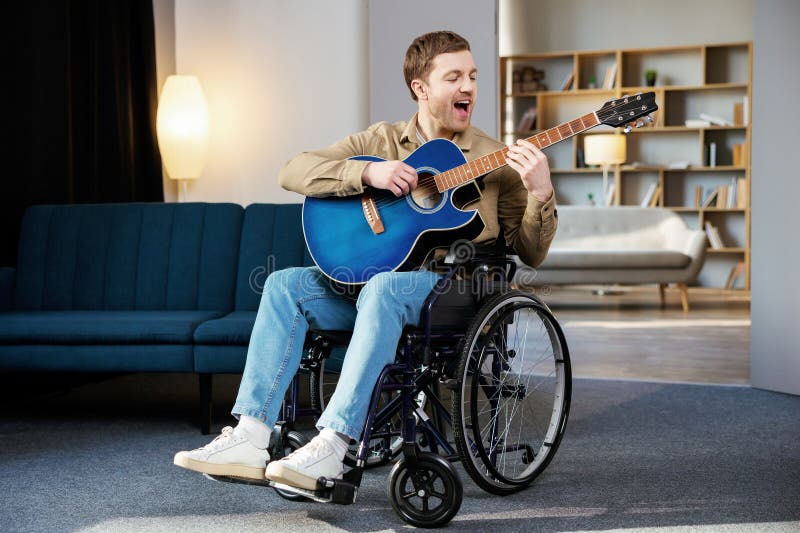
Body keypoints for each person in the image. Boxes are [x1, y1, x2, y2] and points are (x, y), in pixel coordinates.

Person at [174, 30, 557, 491]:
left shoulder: (498, 159)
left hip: (453, 293)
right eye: (454, 76)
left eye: (472, 76)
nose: (468, 86)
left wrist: (542, 193)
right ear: (421, 88)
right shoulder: (381, 139)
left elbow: (531, 251)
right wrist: (366, 171)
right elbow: (292, 170)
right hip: (369, 288)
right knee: (283, 285)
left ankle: (332, 446)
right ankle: (251, 435)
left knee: (383, 289)